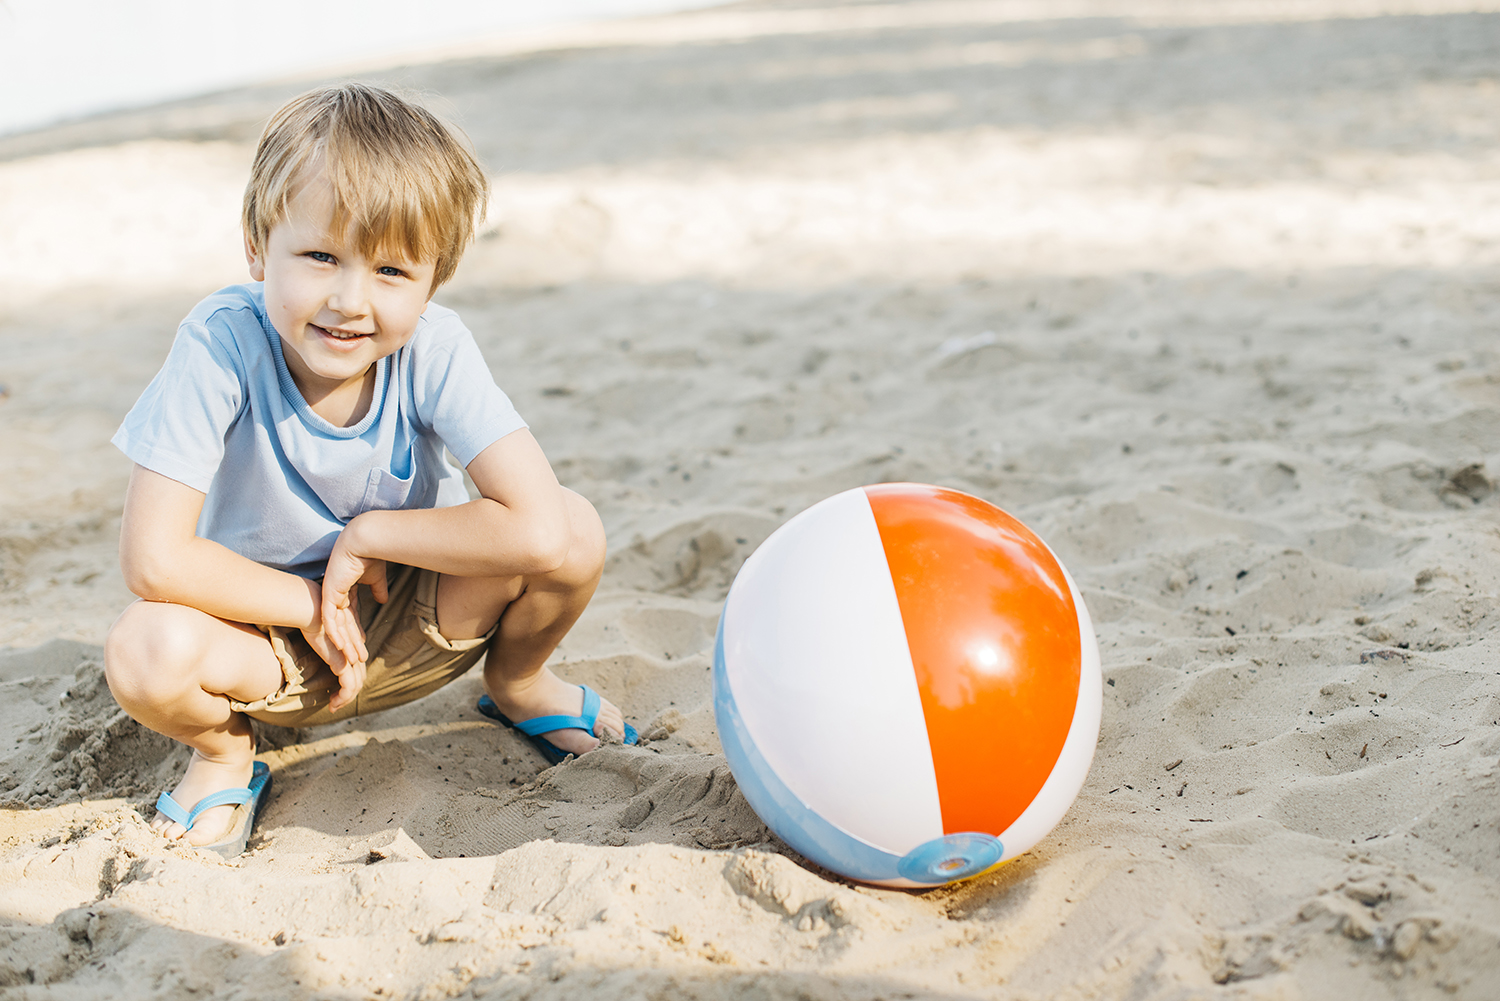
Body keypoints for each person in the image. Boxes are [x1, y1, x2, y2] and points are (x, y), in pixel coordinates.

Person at [104, 83, 632, 857]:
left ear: (433, 280)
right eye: (320, 256)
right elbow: (153, 558)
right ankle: (222, 755)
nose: (350, 300)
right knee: (144, 649)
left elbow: (541, 526)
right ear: (258, 245)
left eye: (392, 271)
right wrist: (309, 601)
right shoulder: (220, 343)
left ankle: (519, 685)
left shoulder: (435, 349)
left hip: (417, 612)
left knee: (577, 529)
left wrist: (373, 533)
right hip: (271, 639)